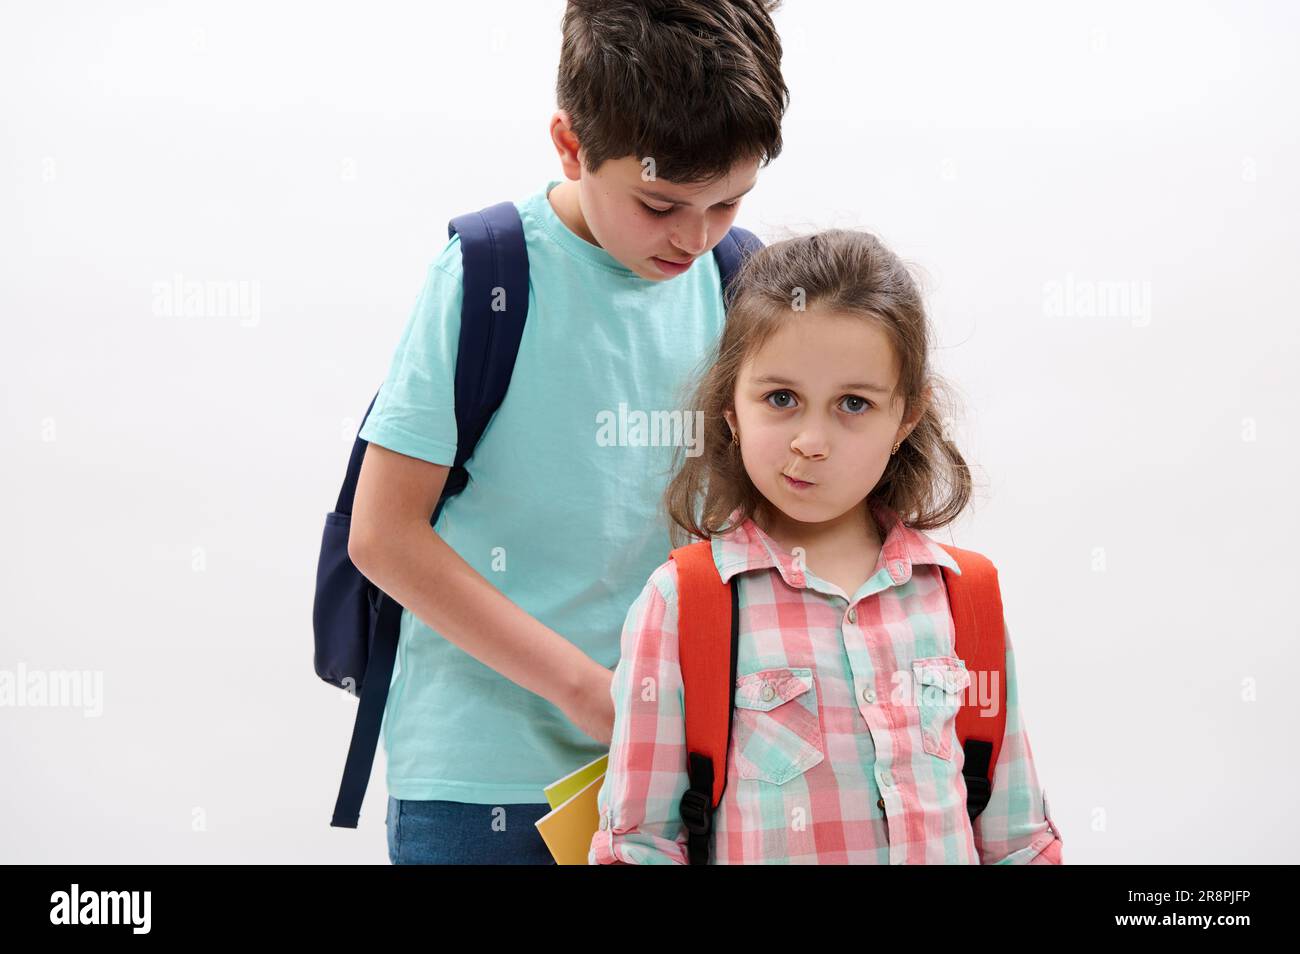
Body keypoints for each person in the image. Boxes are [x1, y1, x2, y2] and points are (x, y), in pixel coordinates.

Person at [347, 0, 790, 864]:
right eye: (661, 203)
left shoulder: (744, 279)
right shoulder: (489, 272)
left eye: (728, 202)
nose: (695, 237)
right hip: (484, 781)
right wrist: (591, 694)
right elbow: (383, 534)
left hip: (681, 770)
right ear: (570, 145)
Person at [590, 229, 1065, 863]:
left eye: (853, 404)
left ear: (906, 419)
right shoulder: (684, 602)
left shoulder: (965, 597)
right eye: (781, 399)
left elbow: (1018, 840)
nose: (811, 439)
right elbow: (639, 845)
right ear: (732, 408)